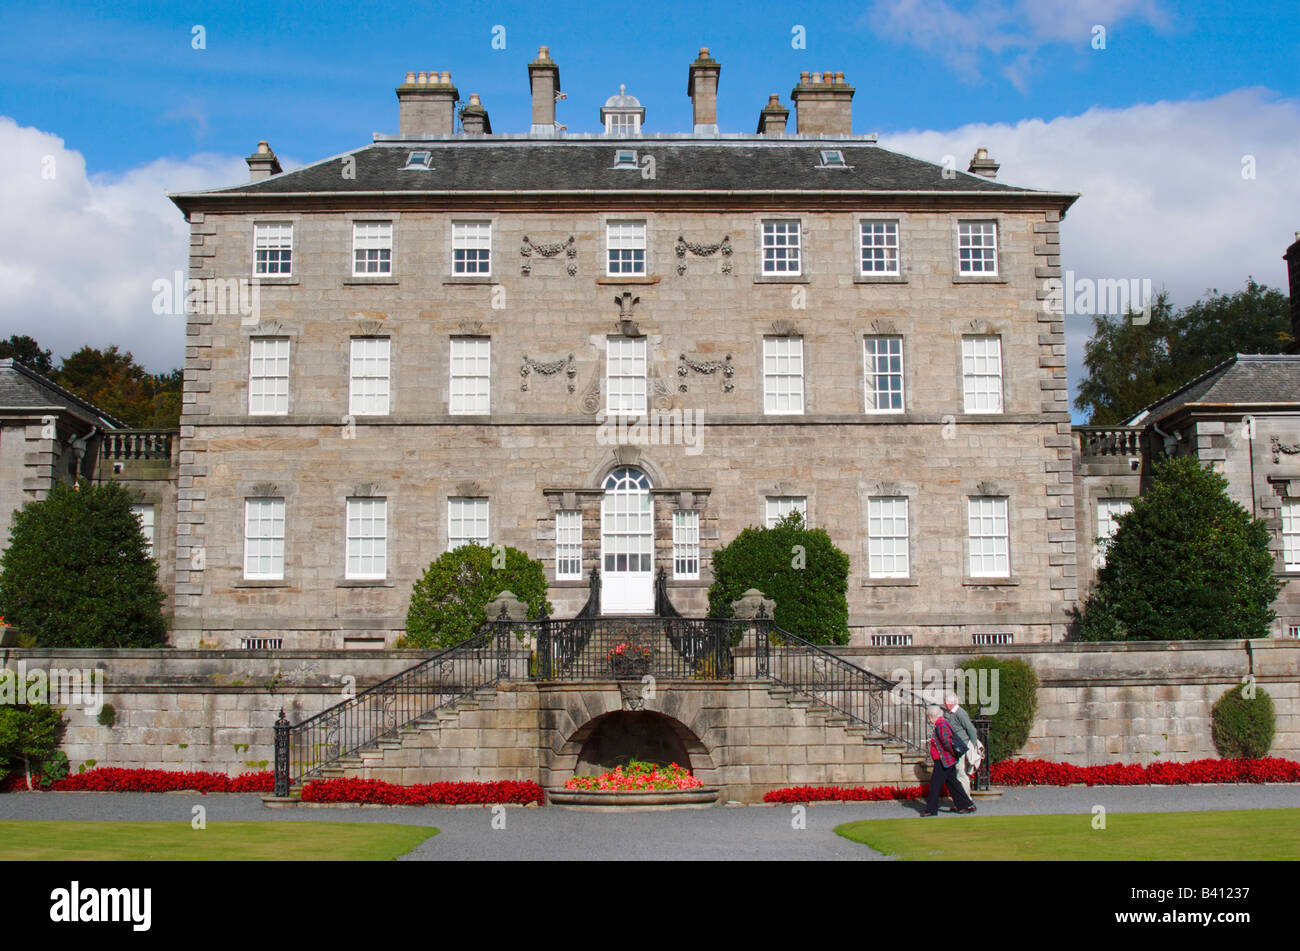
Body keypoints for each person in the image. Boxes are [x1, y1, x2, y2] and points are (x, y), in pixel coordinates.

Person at [921, 705, 975, 817]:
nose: (929, 719)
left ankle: (931, 809)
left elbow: (947, 743)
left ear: (932, 716)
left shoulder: (941, 725)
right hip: (946, 760)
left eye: (929, 717)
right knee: (953, 783)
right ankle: (967, 805)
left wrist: (951, 753)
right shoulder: (943, 724)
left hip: (943, 760)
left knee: (935, 785)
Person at [944, 691, 983, 799]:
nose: (944, 704)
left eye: (945, 702)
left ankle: (965, 799)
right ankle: (962, 798)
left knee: (961, 772)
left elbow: (970, 728)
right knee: (959, 772)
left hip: (961, 746)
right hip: (958, 746)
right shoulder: (953, 713)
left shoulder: (959, 713)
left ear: (949, 703)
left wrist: (974, 745)